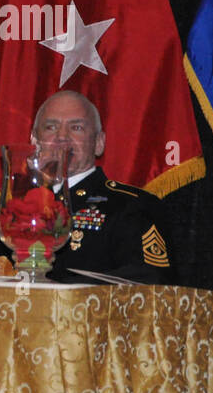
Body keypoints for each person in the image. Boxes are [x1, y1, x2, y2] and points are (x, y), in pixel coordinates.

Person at [32, 90, 174, 284]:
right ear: (34, 141)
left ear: (99, 143)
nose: (62, 136)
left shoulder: (130, 207)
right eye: (51, 127)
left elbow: (149, 280)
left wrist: (61, 288)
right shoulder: (14, 206)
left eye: (76, 127)